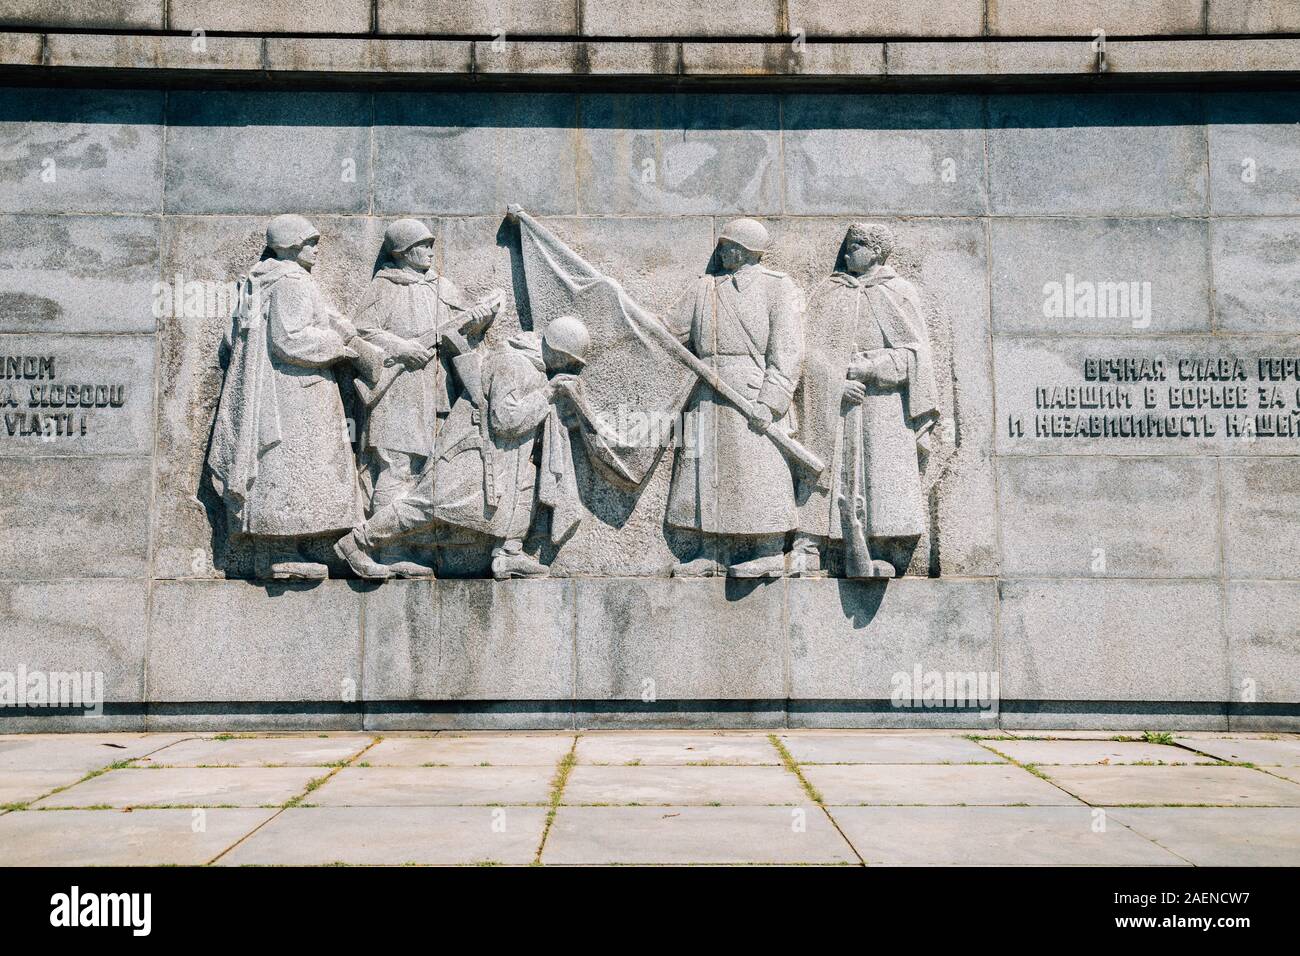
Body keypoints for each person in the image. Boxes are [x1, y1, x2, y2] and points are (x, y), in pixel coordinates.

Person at [335, 316, 589, 581]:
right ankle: (356, 542)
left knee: (527, 481)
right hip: (473, 452)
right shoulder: (515, 363)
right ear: (558, 352)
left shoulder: (532, 366)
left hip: (504, 457)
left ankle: (509, 553)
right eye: (570, 362)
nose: (571, 368)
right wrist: (548, 393)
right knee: (425, 505)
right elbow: (504, 419)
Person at [207, 214, 367, 580]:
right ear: (293, 245)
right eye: (310, 242)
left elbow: (239, 339)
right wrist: (338, 345)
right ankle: (278, 552)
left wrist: (341, 327)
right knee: (292, 465)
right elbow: (290, 338)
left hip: (285, 391)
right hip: (295, 393)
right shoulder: (292, 280)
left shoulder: (264, 280)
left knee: (290, 466)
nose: (315, 249)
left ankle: (290, 545)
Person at [792, 223, 940, 578]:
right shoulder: (829, 291)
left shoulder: (898, 292)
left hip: (884, 406)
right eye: (846, 245)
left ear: (876, 250)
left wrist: (871, 368)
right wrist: (835, 382)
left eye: (855, 245)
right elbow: (807, 354)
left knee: (881, 472)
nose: (846, 253)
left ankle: (885, 545)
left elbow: (916, 357)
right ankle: (809, 545)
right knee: (824, 467)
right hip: (835, 402)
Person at [664, 218, 803, 578]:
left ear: (748, 250)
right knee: (704, 470)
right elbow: (669, 332)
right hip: (707, 391)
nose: (724, 251)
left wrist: (771, 402)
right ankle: (710, 548)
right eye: (723, 245)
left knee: (758, 470)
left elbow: (787, 350)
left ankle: (770, 549)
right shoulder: (704, 288)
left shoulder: (777, 287)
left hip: (751, 391)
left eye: (731, 246)